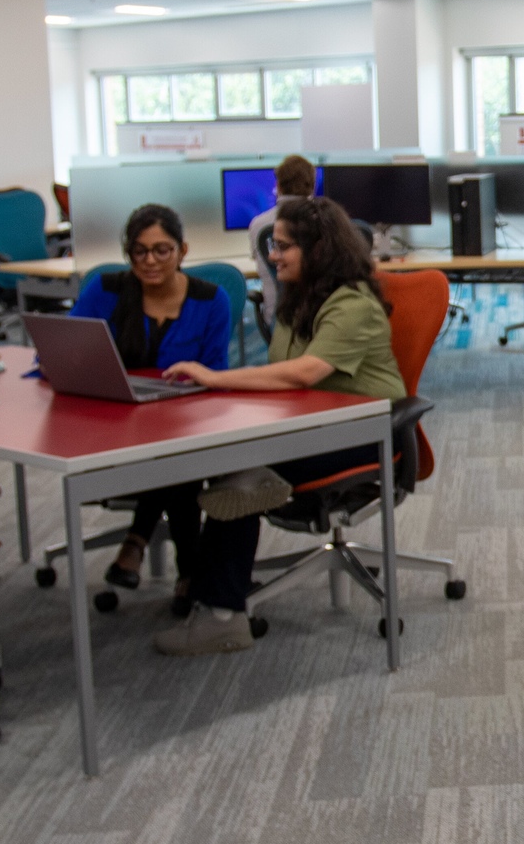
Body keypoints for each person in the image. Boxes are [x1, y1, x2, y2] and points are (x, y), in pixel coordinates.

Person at [159, 195, 403, 656]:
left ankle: (221, 615)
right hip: (308, 425)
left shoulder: (351, 304)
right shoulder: (299, 300)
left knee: (240, 475)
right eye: (274, 244)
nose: (273, 255)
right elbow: (284, 381)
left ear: (319, 250)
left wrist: (216, 378)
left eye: (283, 246)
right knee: (219, 462)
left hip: (362, 435)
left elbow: (301, 373)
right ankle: (211, 591)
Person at [68, 203, 235, 602]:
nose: (150, 261)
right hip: (113, 419)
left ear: (183, 250)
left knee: (178, 453)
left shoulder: (211, 300)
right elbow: (68, 347)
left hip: (186, 419)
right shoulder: (106, 290)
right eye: (139, 251)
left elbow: (214, 372)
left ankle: (137, 542)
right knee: (177, 460)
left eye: (162, 250)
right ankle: (188, 569)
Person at [250, 153, 316, 326]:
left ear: (278, 186)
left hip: (277, 318)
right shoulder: (325, 220)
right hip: (320, 316)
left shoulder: (258, 224)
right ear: (312, 186)